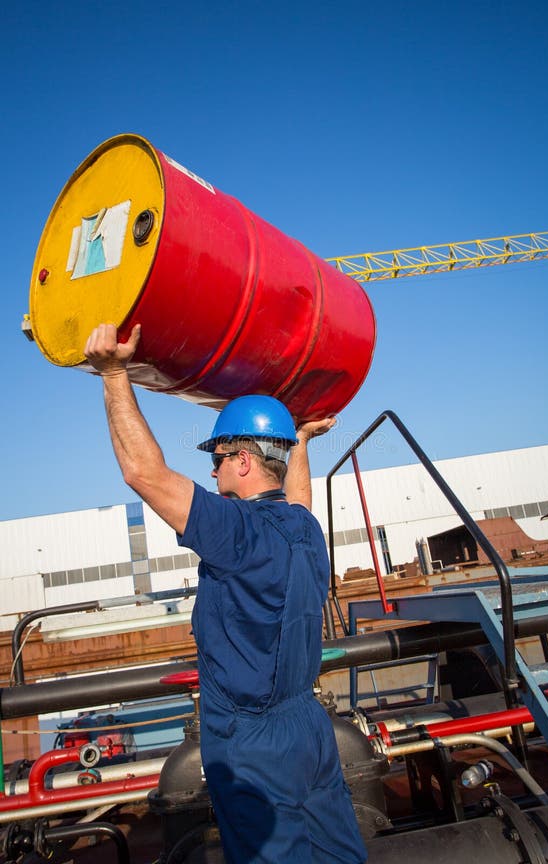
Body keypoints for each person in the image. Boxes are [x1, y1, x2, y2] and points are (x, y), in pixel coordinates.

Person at [84, 322, 367, 864]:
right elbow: (295, 496)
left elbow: (142, 472)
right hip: (309, 728)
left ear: (241, 460)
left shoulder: (237, 532)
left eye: (217, 459)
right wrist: (299, 441)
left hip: (250, 742)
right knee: (335, 852)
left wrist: (115, 374)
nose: (211, 472)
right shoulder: (303, 530)